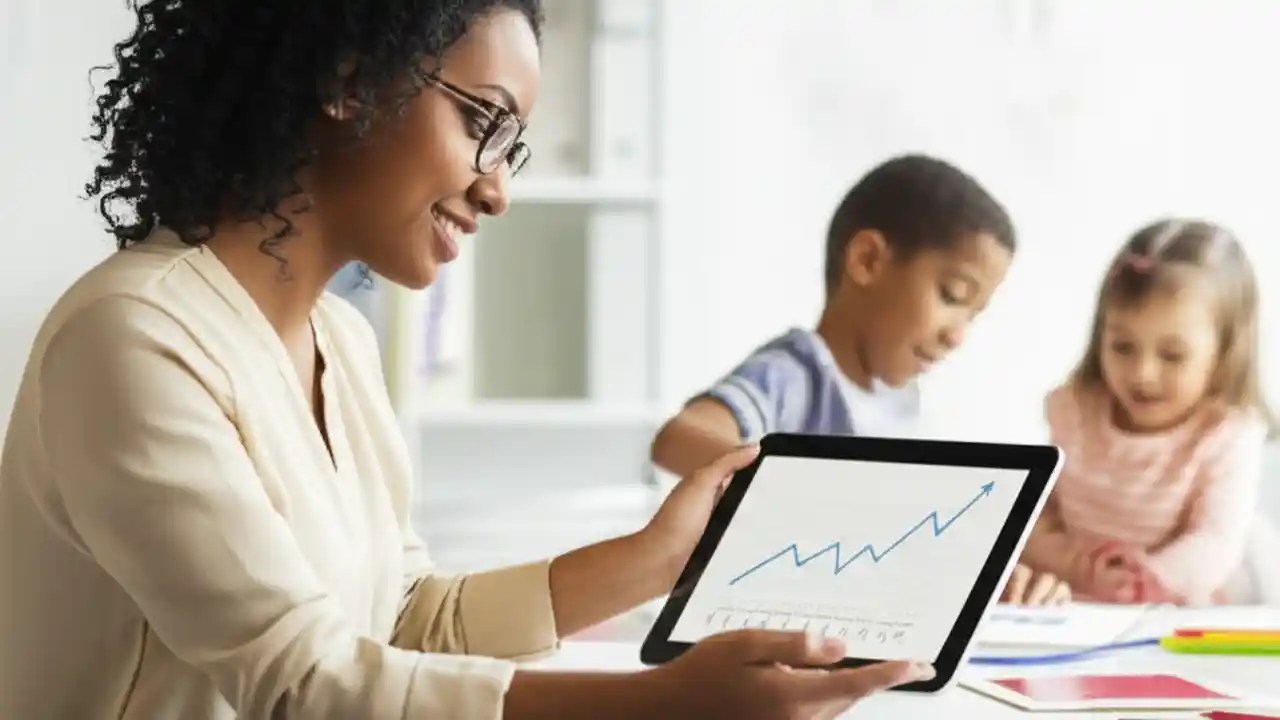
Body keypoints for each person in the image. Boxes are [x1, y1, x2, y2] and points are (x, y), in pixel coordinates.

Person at [0, 2, 934, 719]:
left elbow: (404, 619)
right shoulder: (134, 334)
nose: (497, 190)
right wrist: (665, 702)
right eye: (483, 122)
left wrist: (659, 557)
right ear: (348, 80)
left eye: (511, 148)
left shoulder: (342, 343)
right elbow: (300, 681)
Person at [650, 154, 1069, 606]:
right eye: (952, 296)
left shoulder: (903, 405)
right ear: (868, 260)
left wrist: (993, 575)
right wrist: (822, 489)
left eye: (974, 314)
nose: (957, 335)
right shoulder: (795, 374)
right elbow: (678, 439)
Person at [1020, 219, 1274, 606]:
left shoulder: (1226, 434)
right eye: (1123, 347)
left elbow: (1215, 542)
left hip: (1171, 615)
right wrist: (1073, 565)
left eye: (1172, 355)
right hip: (1073, 608)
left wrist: (1143, 580)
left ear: (1224, 352)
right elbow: (1038, 516)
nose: (1143, 374)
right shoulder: (1074, 410)